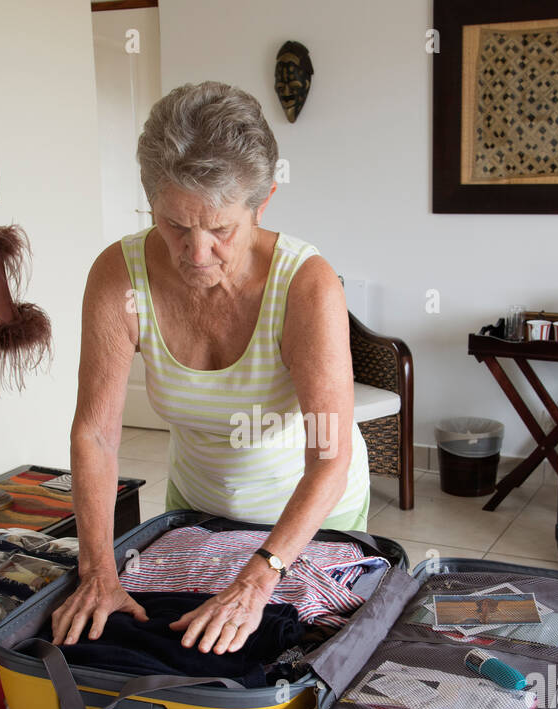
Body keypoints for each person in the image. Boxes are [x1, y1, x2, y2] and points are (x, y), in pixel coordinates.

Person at [50, 80, 371, 656]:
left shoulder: (305, 283)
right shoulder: (119, 275)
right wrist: (97, 568)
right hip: (196, 507)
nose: (196, 254)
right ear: (151, 201)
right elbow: (95, 434)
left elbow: (330, 453)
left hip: (309, 513)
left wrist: (258, 576)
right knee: (169, 648)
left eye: (221, 229)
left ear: (262, 202)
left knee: (294, 653)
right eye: (175, 225)